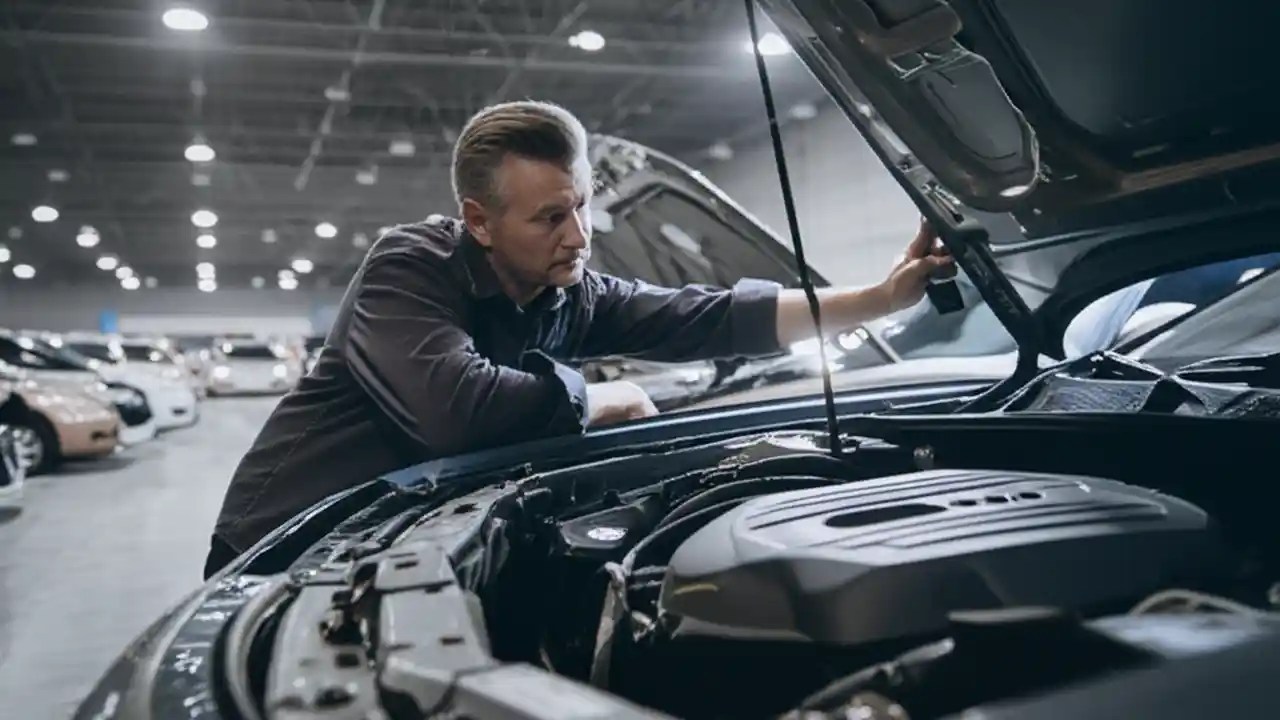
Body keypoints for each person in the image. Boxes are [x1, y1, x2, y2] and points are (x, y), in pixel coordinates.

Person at [203, 100, 951, 578]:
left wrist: (880, 298)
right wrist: (600, 397)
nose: (579, 235)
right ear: (478, 221)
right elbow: (456, 412)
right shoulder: (410, 267)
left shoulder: (570, 292)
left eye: (584, 206)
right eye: (549, 218)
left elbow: (711, 317)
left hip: (399, 540)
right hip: (286, 541)